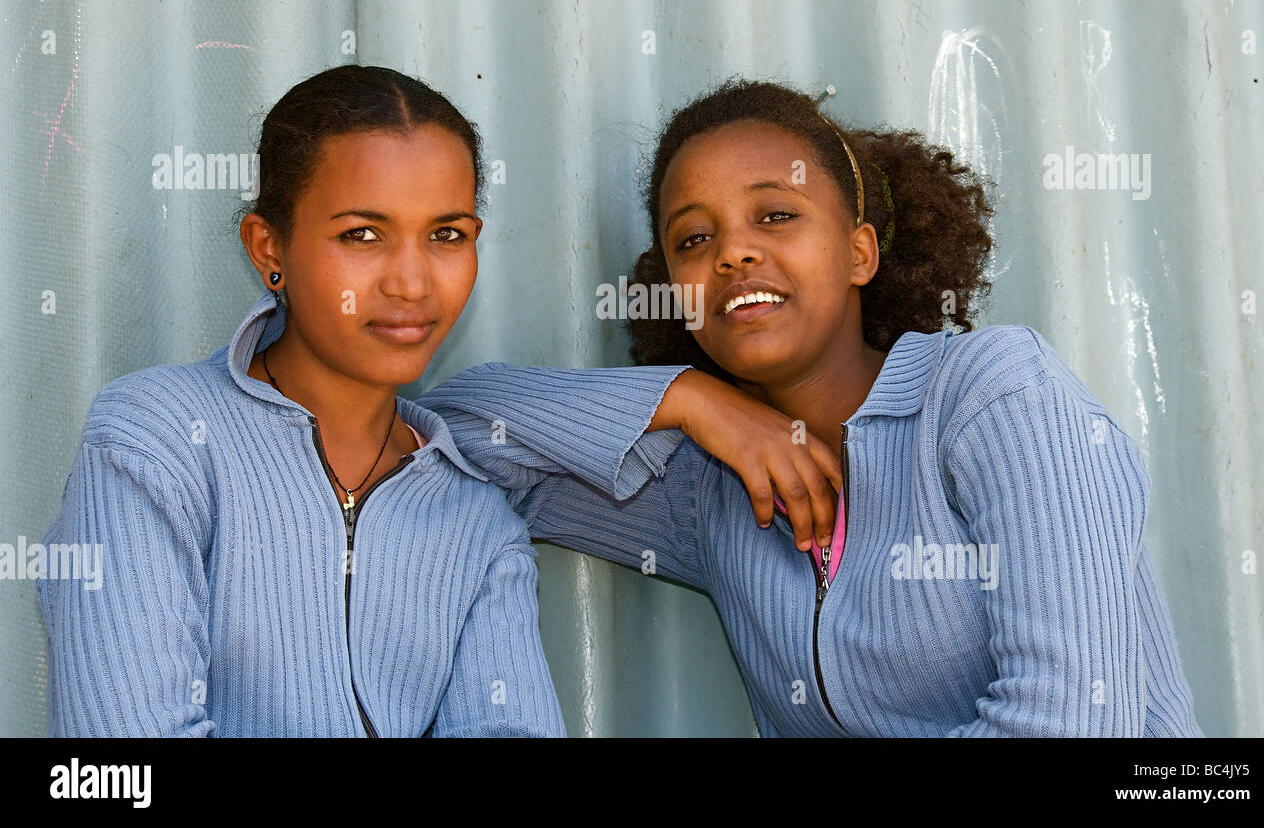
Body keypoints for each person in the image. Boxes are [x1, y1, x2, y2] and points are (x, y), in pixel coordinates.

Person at [418, 78, 1204, 737]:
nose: (732, 251)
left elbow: (1068, 721)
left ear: (860, 251)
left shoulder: (993, 399)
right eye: (693, 240)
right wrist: (691, 402)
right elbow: (447, 434)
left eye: (776, 214)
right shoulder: (709, 491)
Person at [37, 65, 564, 737]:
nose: (411, 281)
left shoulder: (480, 523)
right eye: (362, 234)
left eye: (447, 235)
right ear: (269, 248)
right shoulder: (155, 441)